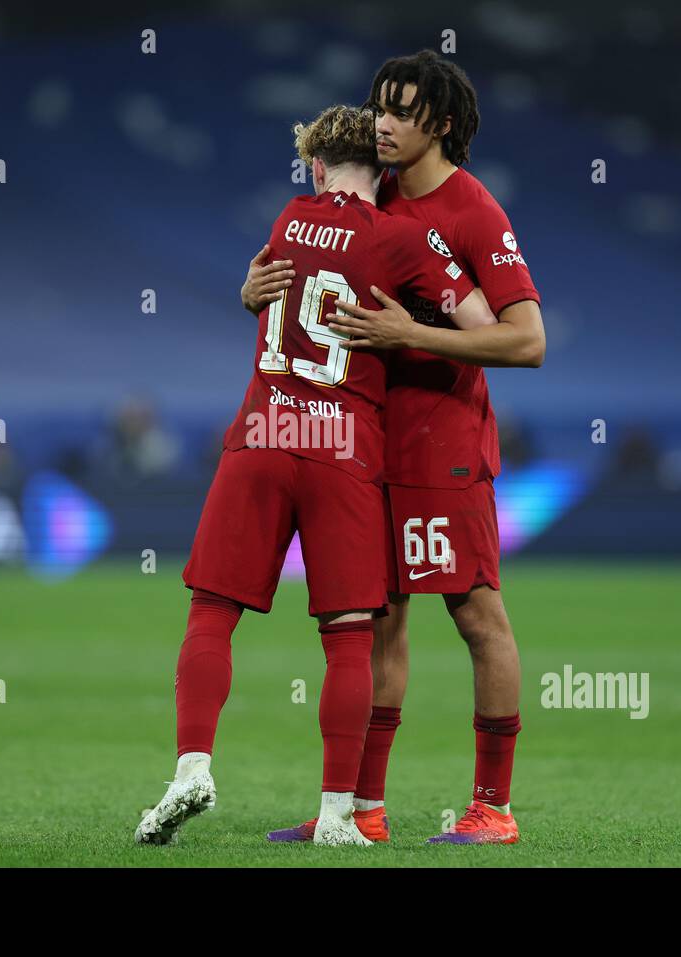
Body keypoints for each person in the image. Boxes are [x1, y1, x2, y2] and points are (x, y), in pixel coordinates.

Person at [136, 104, 497, 847]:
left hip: (263, 434)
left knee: (212, 613)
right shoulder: (401, 237)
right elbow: (482, 323)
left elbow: (269, 293)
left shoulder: (287, 218)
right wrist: (415, 328)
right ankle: (341, 811)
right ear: (384, 168)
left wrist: (248, 294)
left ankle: (191, 768)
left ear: (315, 167)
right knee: (348, 636)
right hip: (343, 448)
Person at [244, 51, 546, 845]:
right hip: (365, 445)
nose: (382, 123)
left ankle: (495, 808)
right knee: (377, 620)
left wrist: (408, 332)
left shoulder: (472, 212)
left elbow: (527, 342)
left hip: (443, 448)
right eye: (380, 106)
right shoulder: (364, 199)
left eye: (403, 111)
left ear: (440, 124)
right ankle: (362, 808)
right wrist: (253, 297)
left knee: (478, 615)